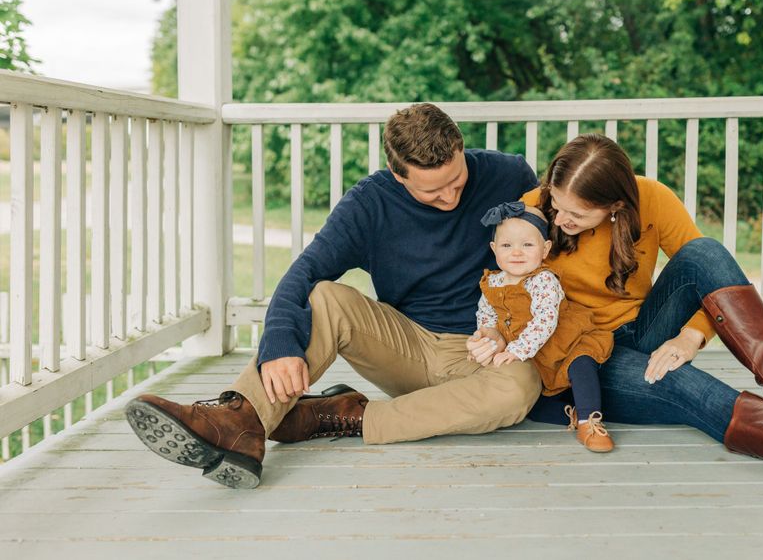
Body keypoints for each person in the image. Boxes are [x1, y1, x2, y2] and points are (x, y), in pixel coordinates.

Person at [467, 134, 763, 499]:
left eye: (577, 213)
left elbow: (707, 274)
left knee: (705, 251)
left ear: (615, 206)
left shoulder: (651, 198)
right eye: (557, 204)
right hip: (585, 355)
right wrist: (492, 333)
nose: (559, 217)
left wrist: (691, 337)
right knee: (691, 389)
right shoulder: (532, 209)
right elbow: (504, 291)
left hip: (642, 328)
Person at [125, 103, 541, 489]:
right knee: (326, 296)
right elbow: (304, 273)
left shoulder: (510, 176)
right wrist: (279, 344)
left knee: (520, 387)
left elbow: (558, 244)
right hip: (407, 345)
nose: (450, 197)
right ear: (398, 175)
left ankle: (340, 417)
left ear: (461, 147)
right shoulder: (370, 202)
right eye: (432, 191)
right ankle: (240, 422)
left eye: (456, 180)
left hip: (487, 351)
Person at [475, 202, 614, 452]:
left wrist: (517, 350)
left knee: (581, 365)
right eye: (507, 246)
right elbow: (486, 316)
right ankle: (571, 413)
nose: (516, 253)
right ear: (494, 249)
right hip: (536, 356)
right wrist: (487, 339)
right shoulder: (492, 283)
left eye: (528, 245)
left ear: (545, 249)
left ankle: (589, 421)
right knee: (530, 405)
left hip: (566, 341)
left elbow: (545, 320)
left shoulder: (543, 280)